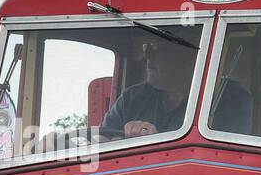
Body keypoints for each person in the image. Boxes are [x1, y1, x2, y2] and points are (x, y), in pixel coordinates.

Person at [101, 39, 252, 139]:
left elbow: (222, 157)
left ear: (189, 57)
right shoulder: (131, 98)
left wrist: (156, 142)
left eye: (155, 48)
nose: (147, 55)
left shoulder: (231, 98)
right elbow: (100, 142)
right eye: (146, 48)